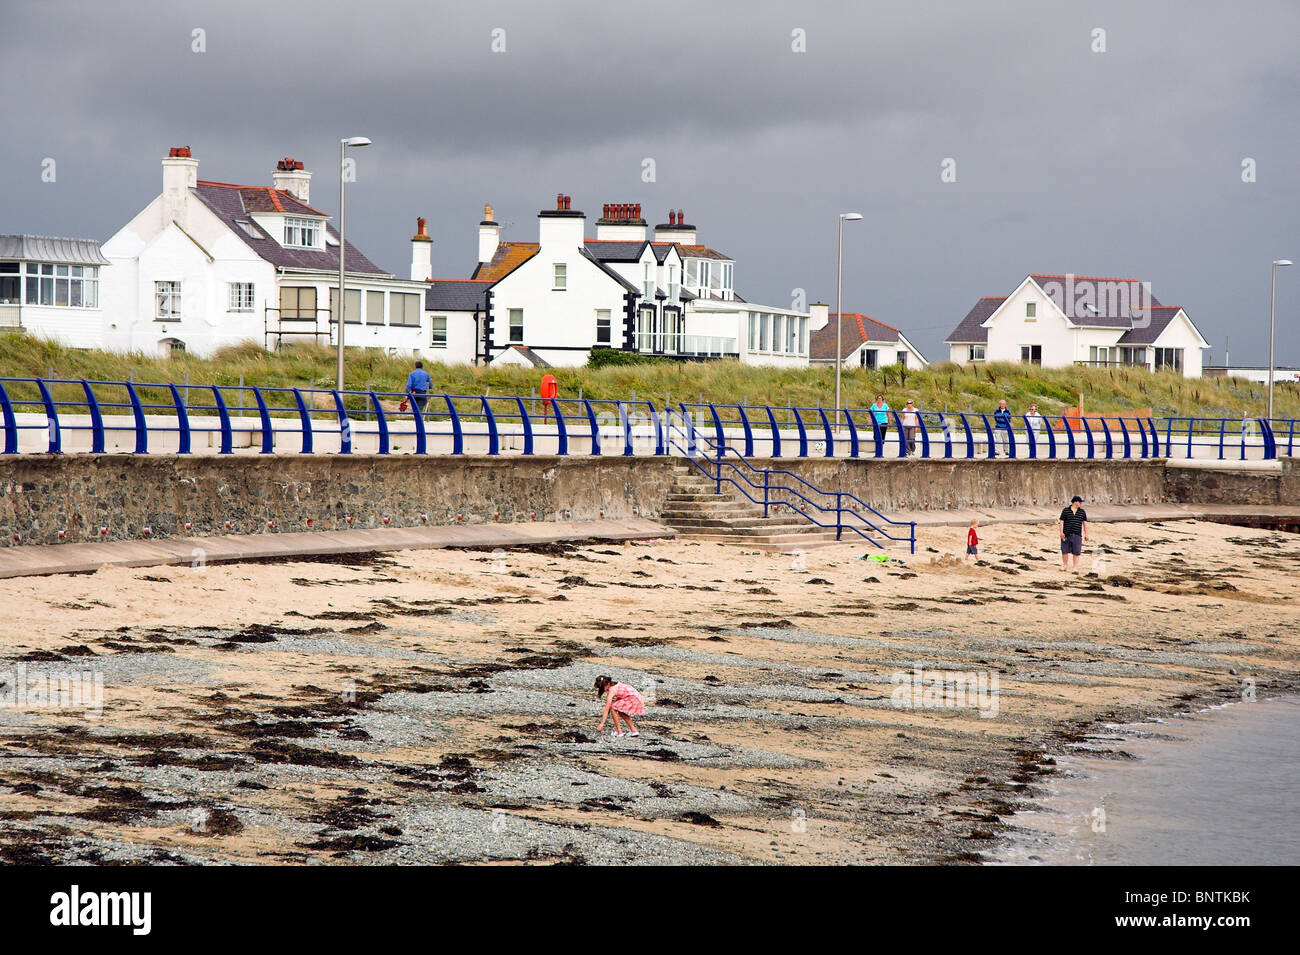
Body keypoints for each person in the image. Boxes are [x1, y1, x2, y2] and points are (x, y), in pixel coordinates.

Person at [1059, 495, 1090, 572]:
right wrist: (1061, 532)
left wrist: (1086, 534)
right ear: (1075, 502)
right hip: (1066, 534)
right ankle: (1064, 565)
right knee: (1065, 551)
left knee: (1076, 552)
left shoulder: (1082, 512)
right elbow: (1061, 522)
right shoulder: (1066, 510)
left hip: (1077, 535)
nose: (1080, 503)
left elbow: (1085, 524)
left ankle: (1075, 567)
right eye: (1080, 502)